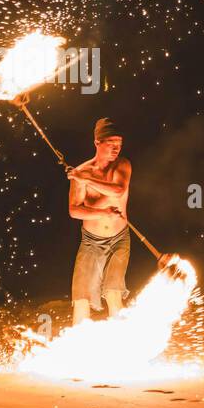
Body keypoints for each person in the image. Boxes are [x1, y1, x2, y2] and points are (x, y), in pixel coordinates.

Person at [67, 118, 131, 325]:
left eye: (119, 144)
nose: (116, 149)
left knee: (113, 292)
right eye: (111, 144)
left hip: (119, 240)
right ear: (97, 143)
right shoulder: (81, 172)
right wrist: (103, 213)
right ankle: (78, 348)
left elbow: (118, 190)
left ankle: (122, 347)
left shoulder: (122, 165)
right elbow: (74, 211)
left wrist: (85, 180)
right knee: (81, 299)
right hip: (90, 242)